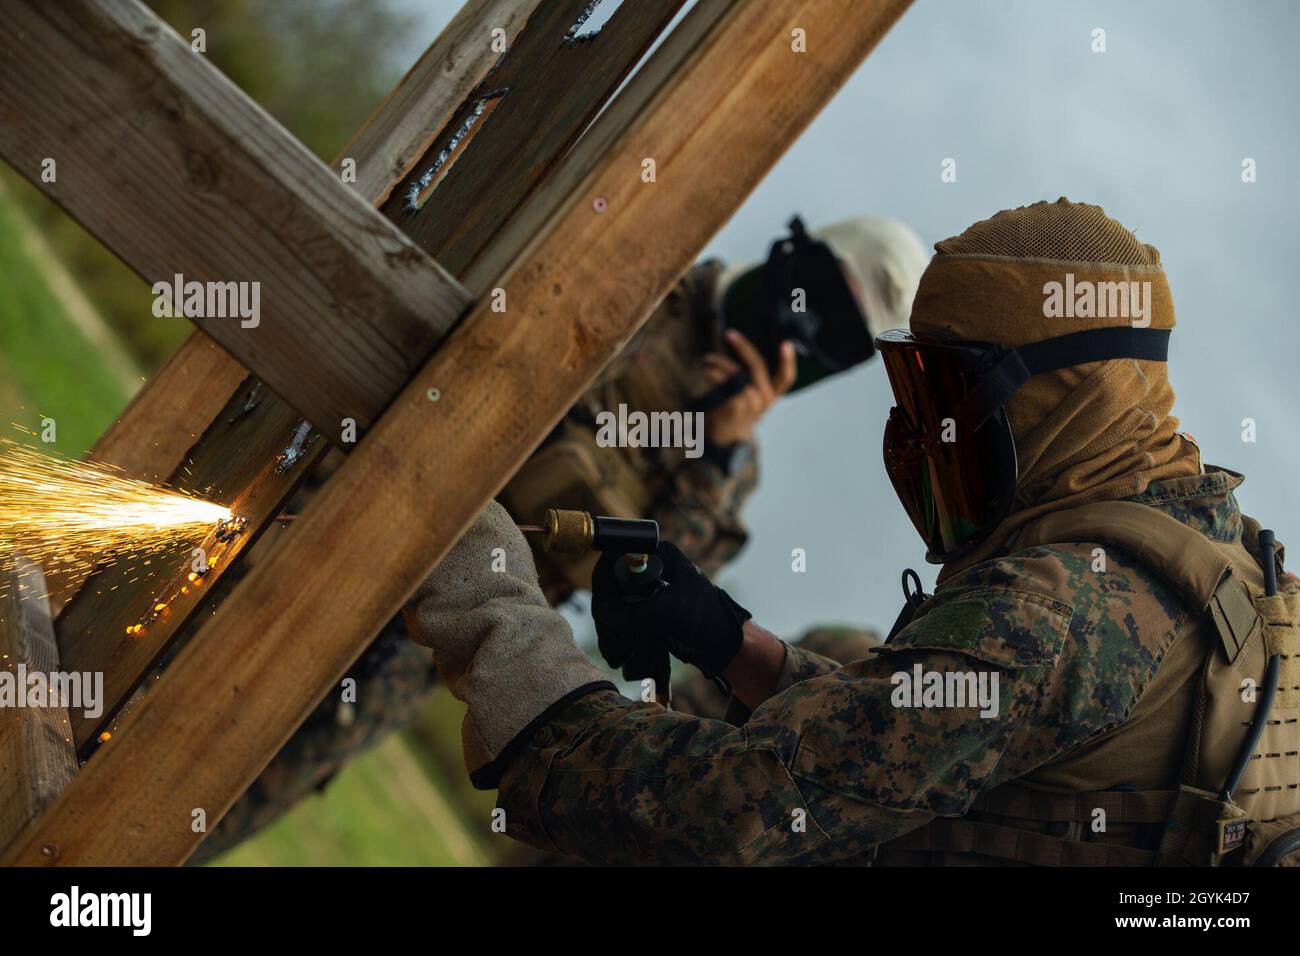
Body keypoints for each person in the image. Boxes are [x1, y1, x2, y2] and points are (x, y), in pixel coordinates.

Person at [405, 199, 1300, 866]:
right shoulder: (1226, 574)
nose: (917, 435)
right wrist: (731, 641)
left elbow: (730, 812)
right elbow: (914, 752)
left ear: (1036, 398)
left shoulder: (1064, 610)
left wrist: (500, 629)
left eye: (940, 399)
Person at [191, 213, 928, 863]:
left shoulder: (732, 469)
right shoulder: (638, 290)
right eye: (817, 297)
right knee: (184, 672)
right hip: (351, 526)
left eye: (834, 334)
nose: (801, 326)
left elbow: (659, 587)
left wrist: (715, 453)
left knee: (236, 798)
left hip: (433, 638)